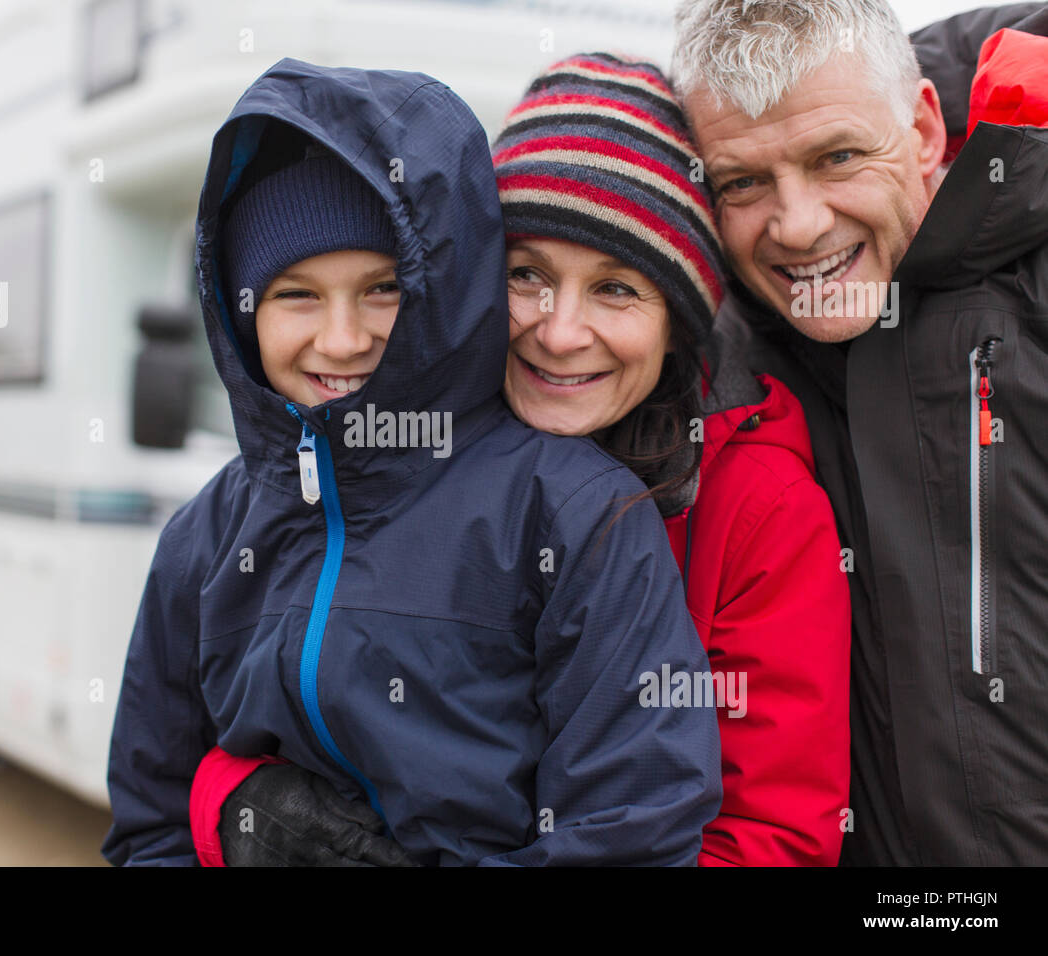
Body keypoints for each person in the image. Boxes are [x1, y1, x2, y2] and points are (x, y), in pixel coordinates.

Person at [188, 53, 851, 867]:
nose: (560, 331)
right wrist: (228, 800)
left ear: (678, 317)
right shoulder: (399, 459)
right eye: (527, 275)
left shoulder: (758, 504)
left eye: (616, 289)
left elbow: (769, 840)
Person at [671, 0, 1048, 864]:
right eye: (743, 183)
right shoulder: (710, 376)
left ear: (921, 131)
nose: (798, 225)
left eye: (837, 158)